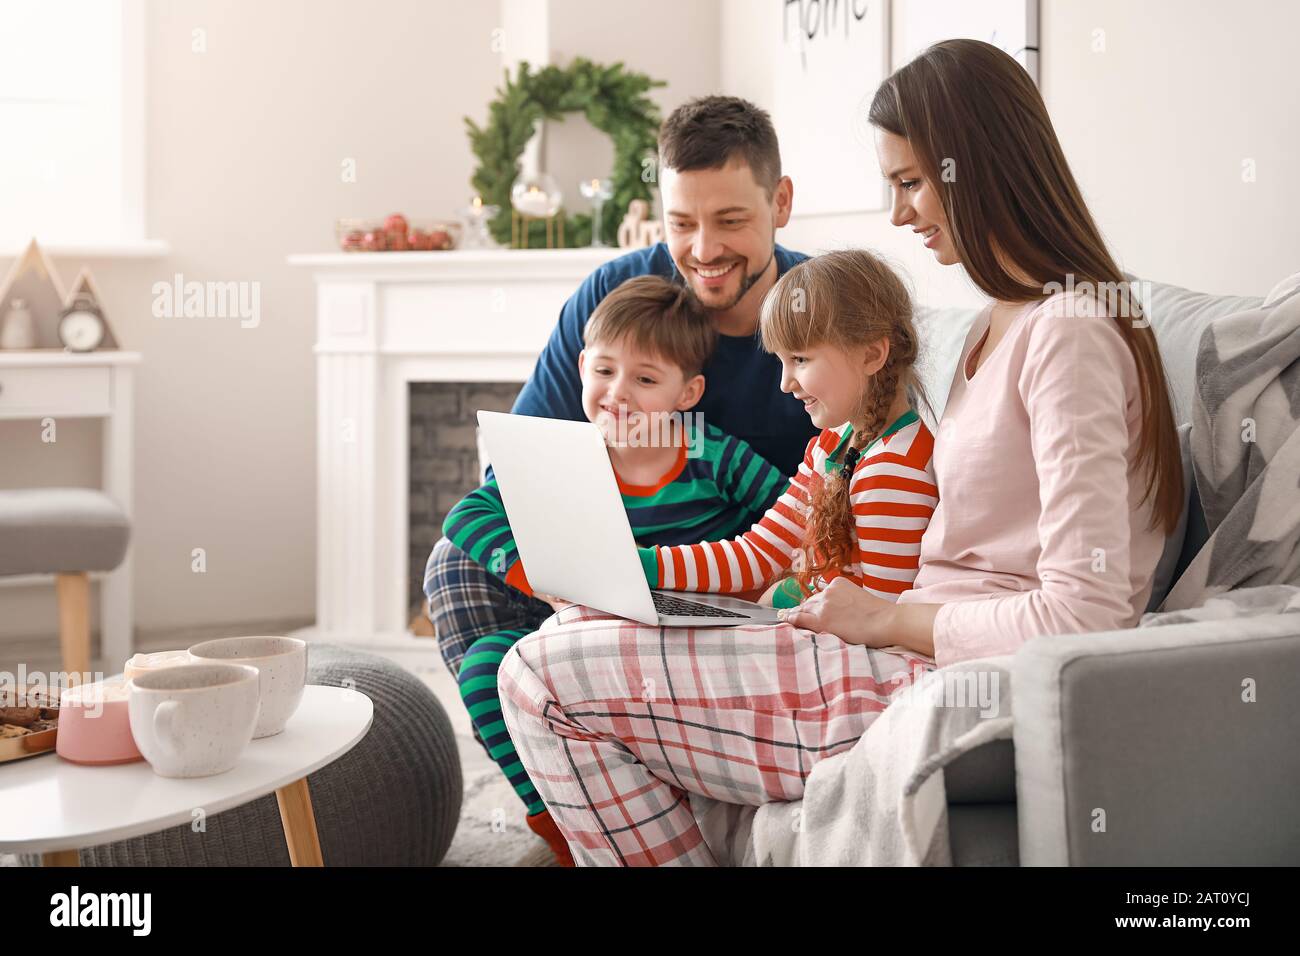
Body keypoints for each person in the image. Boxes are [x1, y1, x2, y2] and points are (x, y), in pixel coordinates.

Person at [496, 39, 1184, 866]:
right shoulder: (989, 329)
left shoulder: (1069, 333)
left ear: (982, 169)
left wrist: (887, 617)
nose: (898, 215)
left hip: (927, 674)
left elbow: (1088, 612)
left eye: (910, 183)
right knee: (569, 633)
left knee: (538, 674)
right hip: (881, 645)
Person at [425, 95, 818, 687]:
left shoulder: (824, 311)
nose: (705, 251)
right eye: (682, 224)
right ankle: (558, 753)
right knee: (454, 565)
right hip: (609, 569)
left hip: (749, 579)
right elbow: (523, 474)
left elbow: (845, 498)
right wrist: (572, 585)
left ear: (780, 202)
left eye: (731, 221)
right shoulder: (615, 294)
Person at [443, 275, 787, 865]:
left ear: (688, 392)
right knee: (485, 668)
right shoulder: (563, 457)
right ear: (580, 366)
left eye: (645, 379)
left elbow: (792, 519)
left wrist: (762, 586)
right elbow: (468, 514)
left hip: (696, 639)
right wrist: (542, 581)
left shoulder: (712, 453)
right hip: (587, 638)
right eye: (603, 371)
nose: (617, 394)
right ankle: (567, 836)